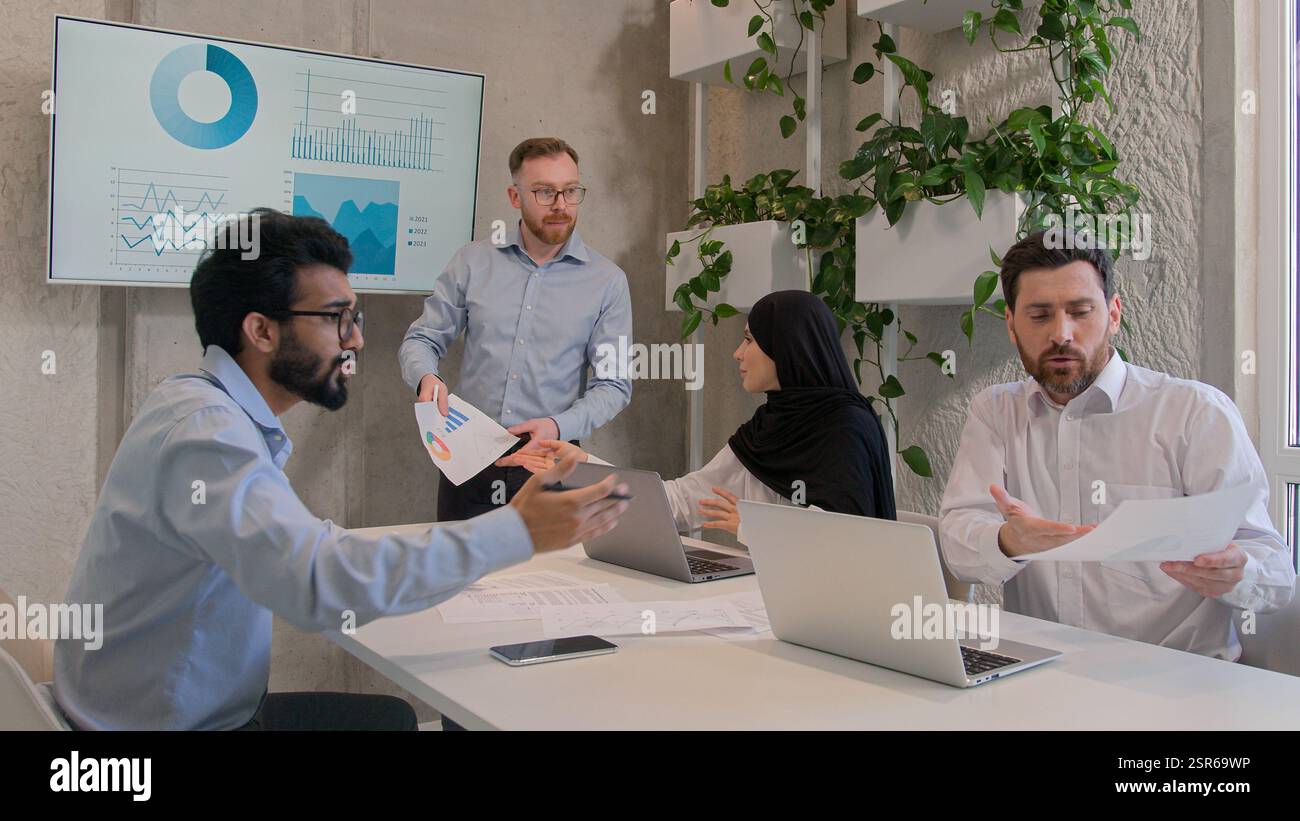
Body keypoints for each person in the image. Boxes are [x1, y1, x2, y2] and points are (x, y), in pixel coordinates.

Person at [53, 209, 628, 730]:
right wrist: (520, 531)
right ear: (261, 330)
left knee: (391, 720)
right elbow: (315, 582)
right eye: (335, 318)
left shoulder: (197, 405)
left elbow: (300, 550)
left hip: (155, 711)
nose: (354, 339)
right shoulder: (208, 435)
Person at [939, 231, 1295, 659]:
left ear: (1114, 314)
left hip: (1177, 685)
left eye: (1080, 311)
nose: (1061, 334)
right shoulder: (995, 412)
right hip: (1041, 677)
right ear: (1012, 326)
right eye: (1039, 315)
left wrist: (1239, 573)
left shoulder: (1195, 412)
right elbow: (958, 546)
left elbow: (1276, 577)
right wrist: (1009, 542)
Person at [506, 290, 896, 534]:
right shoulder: (765, 431)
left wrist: (756, 531)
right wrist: (584, 466)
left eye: (749, 340)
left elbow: (849, 541)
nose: (737, 354)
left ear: (787, 347)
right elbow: (679, 501)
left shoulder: (847, 429)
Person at [399, 137, 632, 521]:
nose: (560, 205)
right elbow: (424, 337)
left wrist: (557, 426)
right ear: (514, 196)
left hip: (550, 466)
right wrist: (426, 377)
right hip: (468, 462)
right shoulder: (473, 262)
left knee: (551, 581)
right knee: (461, 579)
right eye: (544, 192)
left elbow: (614, 384)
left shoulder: (608, 281)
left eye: (570, 191)